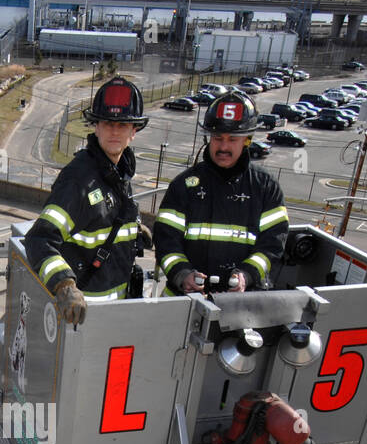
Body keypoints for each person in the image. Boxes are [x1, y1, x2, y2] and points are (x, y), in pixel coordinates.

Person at [22, 76, 149, 325]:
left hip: (116, 313)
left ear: (133, 131)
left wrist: (132, 229)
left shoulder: (119, 172)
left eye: (122, 125)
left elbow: (101, 218)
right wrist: (64, 285)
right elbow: (39, 239)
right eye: (107, 123)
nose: (114, 131)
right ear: (96, 127)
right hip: (83, 320)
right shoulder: (78, 180)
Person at [153, 91, 289, 297]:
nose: (223, 147)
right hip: (185, 302)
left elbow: (273, 244)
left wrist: (247, 274)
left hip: (240, 307)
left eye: (232, 139)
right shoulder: (184, 185)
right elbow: (165, 240)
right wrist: (182, 273)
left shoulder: (265, 187)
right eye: (217, 138)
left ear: (247, 140)